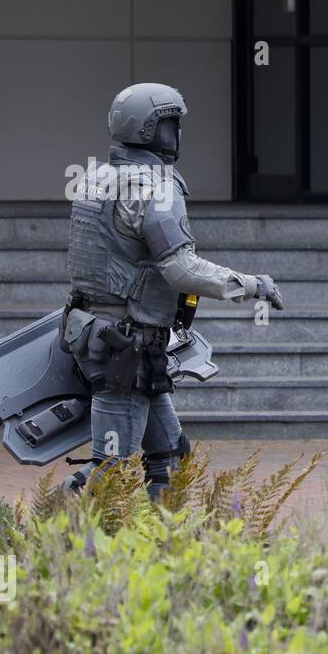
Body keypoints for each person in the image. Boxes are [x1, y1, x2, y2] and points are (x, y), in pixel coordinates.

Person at [60, 83, 285, 499]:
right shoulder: (155, 188)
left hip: (101, 334)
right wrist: (251, 284)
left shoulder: (96, 178)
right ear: (153, 129)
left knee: (169, 456)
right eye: (171, 123)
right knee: (114, 471)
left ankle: (167, 545)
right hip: (125, 347)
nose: (177, 133)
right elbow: (180, 268)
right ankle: (62, 535)